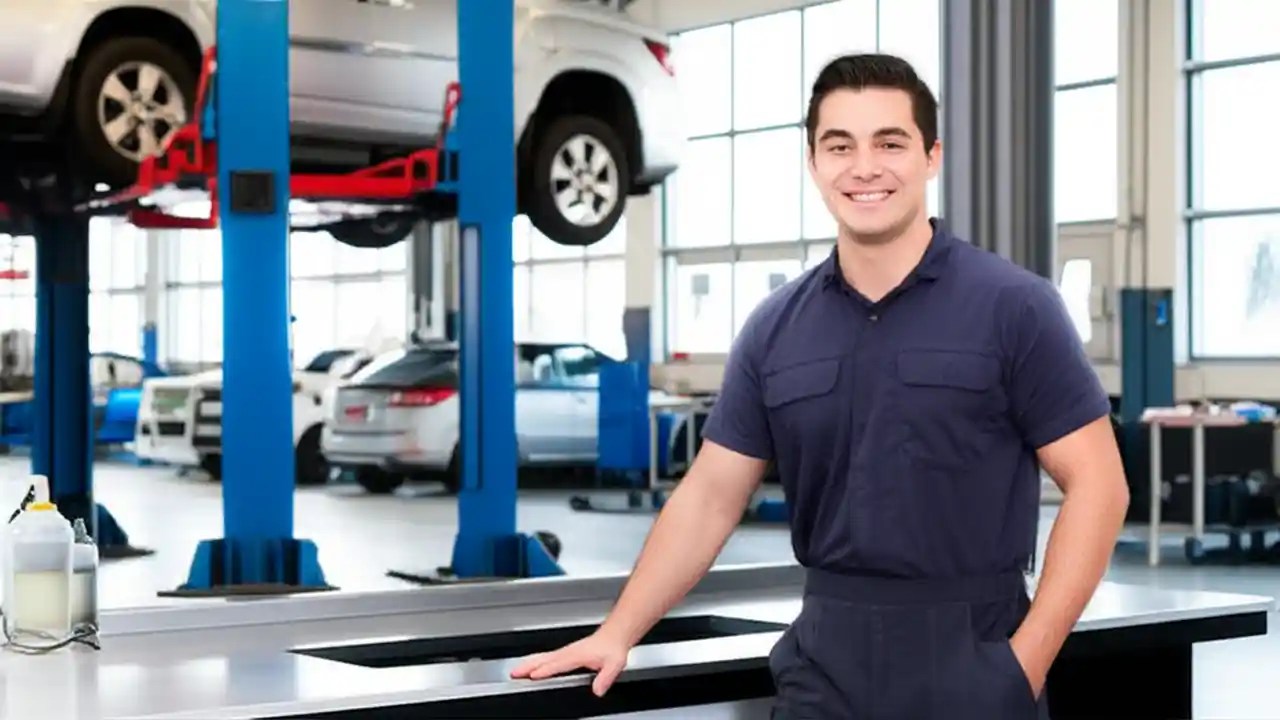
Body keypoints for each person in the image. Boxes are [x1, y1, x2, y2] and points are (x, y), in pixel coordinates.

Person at [511, 53, 1129, 718]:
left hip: (975, 653)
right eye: (840, 146)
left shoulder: (1015, 308)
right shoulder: (776, 329)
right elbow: (712, 496)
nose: (864, 167)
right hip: (824, 667)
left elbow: (1099, 484)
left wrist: (1022, 664)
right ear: (813, 163)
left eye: (889, 143)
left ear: (931, 156)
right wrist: (618, 631)